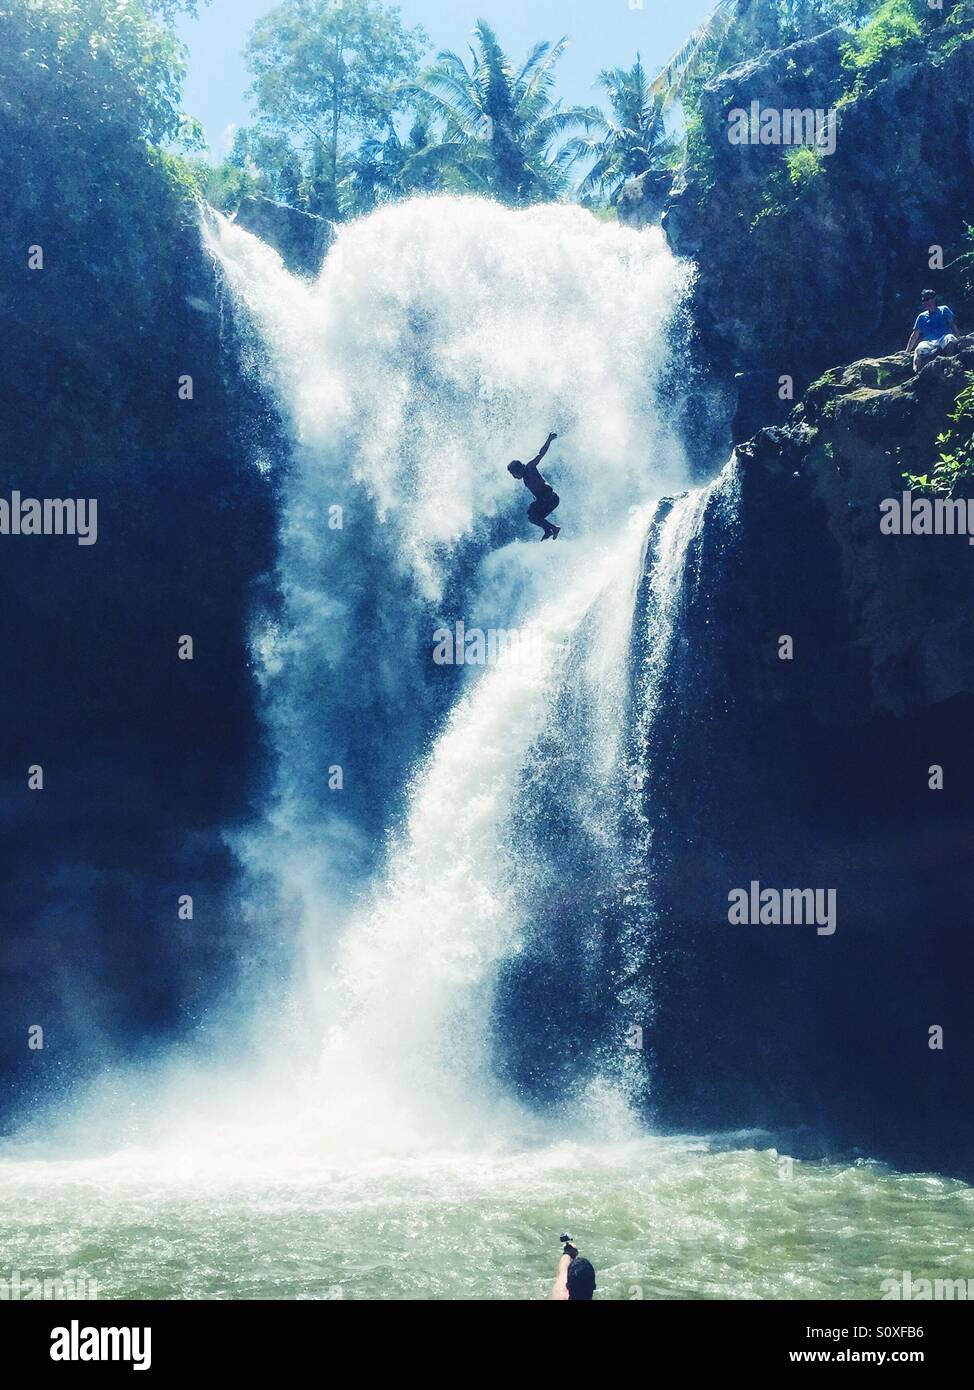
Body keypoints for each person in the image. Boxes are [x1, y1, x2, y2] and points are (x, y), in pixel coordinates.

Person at [508, 432, 561, 540]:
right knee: (532, 517)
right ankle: (549, 529)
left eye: (513, 473)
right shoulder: (525, 479)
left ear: (518, 470)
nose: (513, 477)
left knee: (532, 511)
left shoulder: (530, 468)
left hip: (551, 498)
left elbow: (540, 454)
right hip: (547, 501)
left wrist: (549, 439)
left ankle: (553, 529)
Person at [908, 289, 960, 373]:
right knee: (919, 348)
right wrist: (907, 351)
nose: (926, 302)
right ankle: (917, 373)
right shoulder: (921, 317)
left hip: (943, 337)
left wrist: (959, 337)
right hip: (928, 342)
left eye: (928, 299)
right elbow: (915, 335)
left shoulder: (944, 309)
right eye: (924, 300)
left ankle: (949, 363)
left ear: (934, 299)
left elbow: (952, 325)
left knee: (950, 338)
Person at [549, 1236, 597, 1301]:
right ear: (594, 1286)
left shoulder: (559, 1294)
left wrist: (569, 1252)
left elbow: (562, 1270)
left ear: (567, 1286)